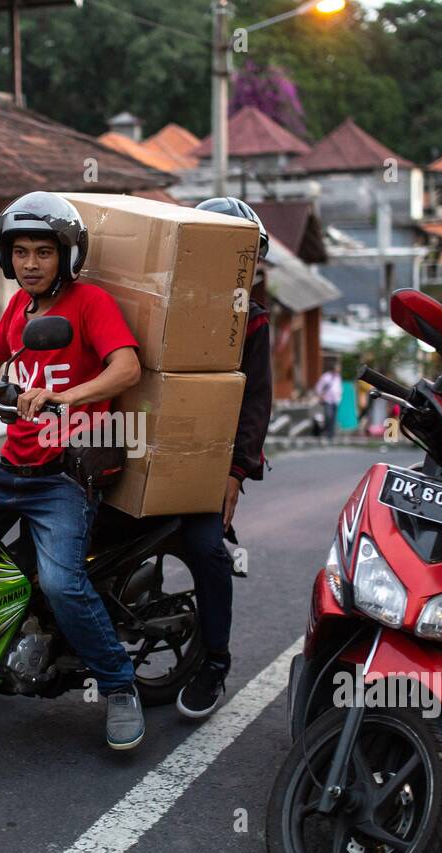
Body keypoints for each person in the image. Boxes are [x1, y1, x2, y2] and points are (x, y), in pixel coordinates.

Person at [0, 192, 147, 750]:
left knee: (63, 582)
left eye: (43, 252)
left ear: (67, 256)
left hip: (65, 475)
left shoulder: (91, 303)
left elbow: (127, 367)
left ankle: (118, 686)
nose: (31, 263)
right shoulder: (20, 309)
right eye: (20, 252)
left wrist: (66, 396)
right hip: (10, 466)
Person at [174, 197, 273, 719]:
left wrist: (235, 474)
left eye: (250, 257)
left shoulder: (251, 324)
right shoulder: (162, 307)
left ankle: (214, 661)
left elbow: (256, 402)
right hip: (135, 453)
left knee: (206, 549)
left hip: (204, 465)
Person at [314, 359, 342, 441]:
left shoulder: (338, 377)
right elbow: (318, 387)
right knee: (328, 416)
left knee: (333, 418)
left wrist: (339, 398)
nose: (338, 369)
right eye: (337, 368)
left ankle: (331, 435)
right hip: (327, 400)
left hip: (335, 400)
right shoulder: (326, 377)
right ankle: (326, 432)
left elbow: (339, 388)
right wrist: (321, 395)